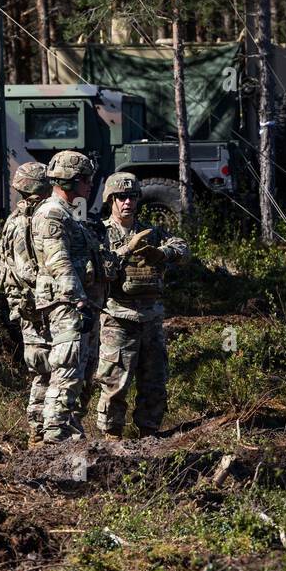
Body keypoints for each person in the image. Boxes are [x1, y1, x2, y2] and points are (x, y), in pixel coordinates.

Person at [32, 151, 133, 443]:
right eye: (86, 180)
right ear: (70, 181)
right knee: (67, 368)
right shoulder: (52, 213)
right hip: (68, 305)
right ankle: (54, 435)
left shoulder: (71, 213)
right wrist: (77, 300)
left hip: (84, 303)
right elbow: (58, 261)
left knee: (82, 371)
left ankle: (68, 428)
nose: (91, 185)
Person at [94, 172, 190, 438]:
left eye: (133, 197)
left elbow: (182, 249)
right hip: (118, 319)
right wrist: (126, 251)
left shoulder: (151, 231)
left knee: (154, 381)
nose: (128, 202)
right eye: (121, 197)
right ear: (110, 199)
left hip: (151, 318)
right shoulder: (100, 233)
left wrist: (163, 253)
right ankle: (111, 439)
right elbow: (100, 270)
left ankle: (150, 434)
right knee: (115, 383)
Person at [0, 160, 52, 445]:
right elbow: (26, 271)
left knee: (45, 369)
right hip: (33, 307)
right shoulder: (23, 223)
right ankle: (38, 433)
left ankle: (42, 431)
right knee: (43, 369)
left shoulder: (18, 219)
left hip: (30, 305)